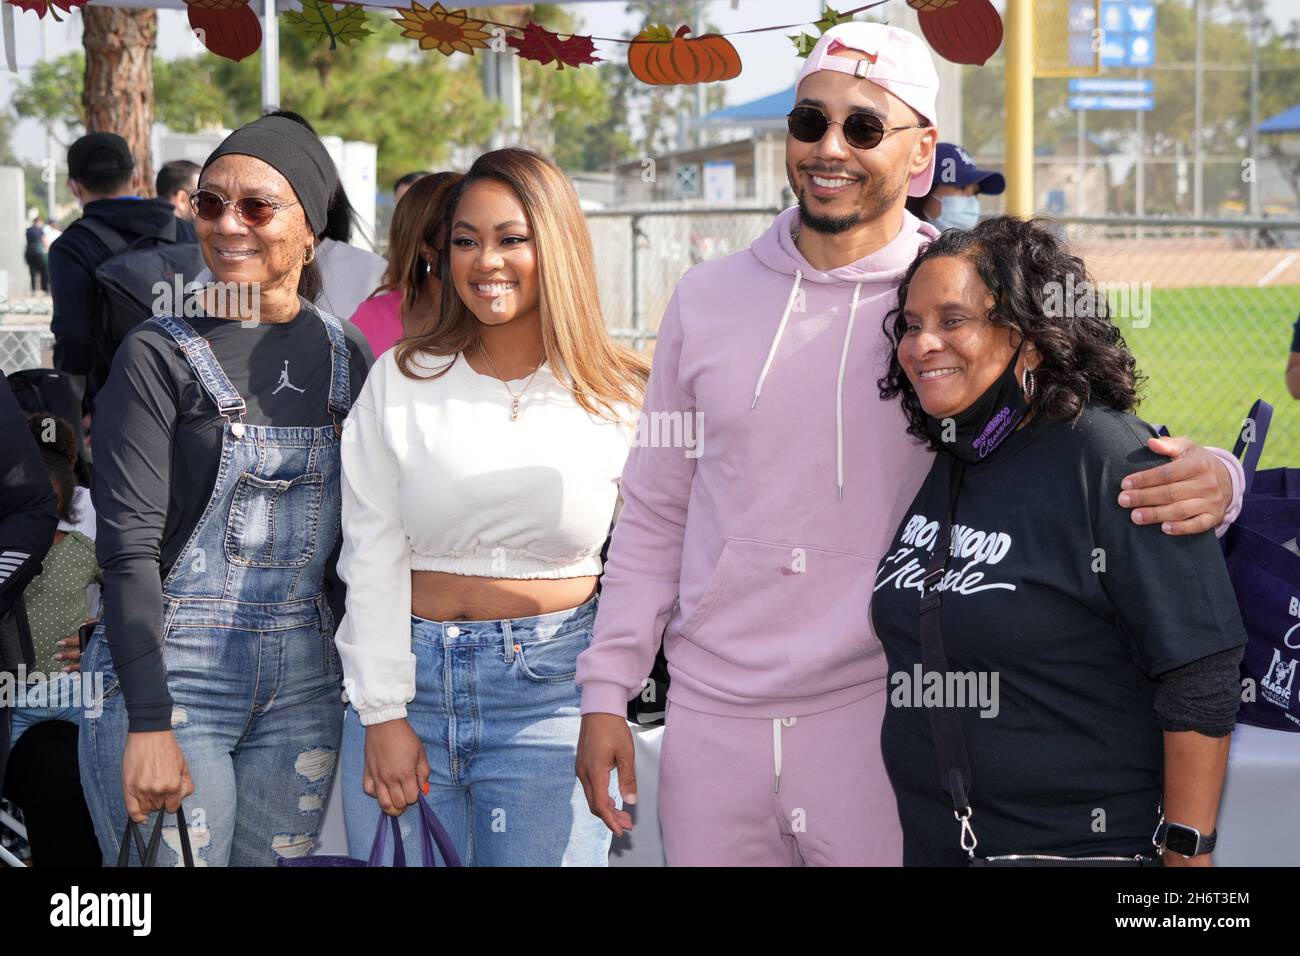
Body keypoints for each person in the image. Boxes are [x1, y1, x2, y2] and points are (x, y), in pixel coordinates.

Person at [573, 21, 1245, 867]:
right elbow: (656, 508)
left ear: (921, 150)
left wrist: (1218, 476)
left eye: (863, 126)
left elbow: (1081, 425)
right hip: (712, 720)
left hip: (883, 718)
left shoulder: (956, 296)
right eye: (809, 121)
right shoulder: (706, 298)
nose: (829, 147)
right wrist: (607, 690)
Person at [872, 216, 1246, 866]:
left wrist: (1187, 856)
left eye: (953, 320)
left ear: (1029, 341)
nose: (921, 343)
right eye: (910, 323)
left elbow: (1201, 669)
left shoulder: (1105, 456)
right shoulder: (957, 450)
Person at [336, 148, 647, 866]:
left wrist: (608, 703)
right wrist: (382, 713)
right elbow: (371, 551)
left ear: (558, 245)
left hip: (555, 699)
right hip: (406, 688)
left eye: (512, 239)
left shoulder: (624, 393)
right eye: (466, 241)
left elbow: (644, 564)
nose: (486, 262)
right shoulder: (402, 378)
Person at [78, 115, 374, 866]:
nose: (226, 224)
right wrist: (146, 721)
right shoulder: (157, 352)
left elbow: (367, 540)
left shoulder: (349, 356)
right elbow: (128, 549)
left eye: (256, 207)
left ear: (310, 230)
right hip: (170, 681)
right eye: (209, 204)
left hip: (307, 682)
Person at [48, 133, 199, 407]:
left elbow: (73, 336)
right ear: (138, 177)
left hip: (119, 400)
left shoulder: (71, 246)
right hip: (194, 393)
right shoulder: (187, 231)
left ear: (74, 187)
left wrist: (78, 405)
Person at [10, 414, 100, 746]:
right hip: (16, 692)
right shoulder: (10, 548)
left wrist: (101, 631)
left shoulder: (83, 542)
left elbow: (132, 585)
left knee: (90, 772)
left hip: (76, 687)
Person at [349, 171, 461, 357]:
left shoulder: (498, 317)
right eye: (464, 241)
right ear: (427, 249)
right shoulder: (373, 319)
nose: (488, 257)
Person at [904, 142, 1004, 232]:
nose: (971, 199)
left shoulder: (977, 250)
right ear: (926, 188)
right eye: (961, 187)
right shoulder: (900, 247)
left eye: (975, 192)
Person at [25, 215, 50, 293]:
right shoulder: (40, 230)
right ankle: (45, 289)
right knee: (44, 270)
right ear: (38, 221)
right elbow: (44, 240)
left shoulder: (28, 230)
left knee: (32, 271)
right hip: (39, 252)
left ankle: (33, 290)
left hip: (29, 252)